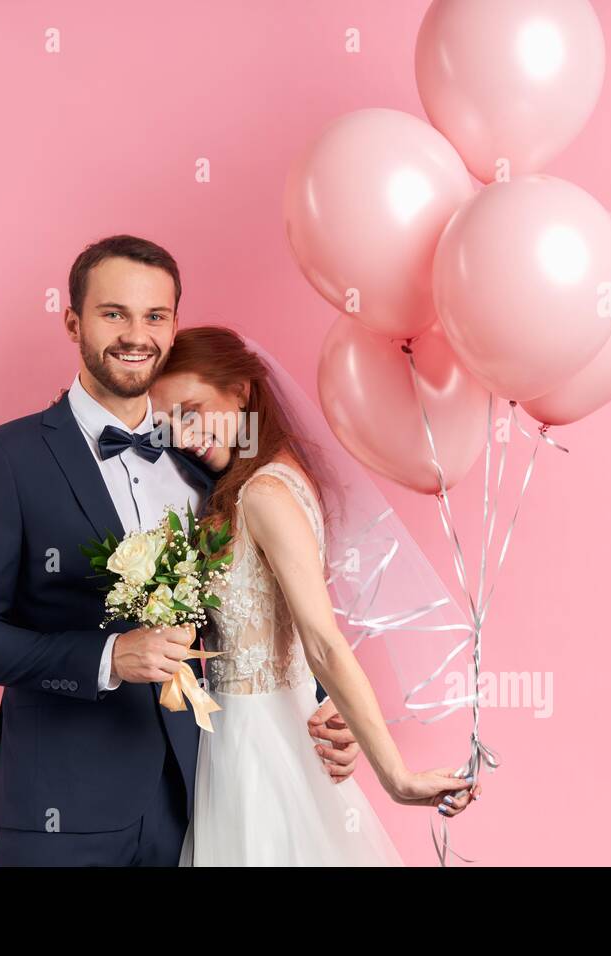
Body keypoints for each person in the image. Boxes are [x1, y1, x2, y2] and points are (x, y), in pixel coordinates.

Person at [0, 235, 363, 866]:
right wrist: (109, 656)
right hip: (58, 812)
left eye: (154, 316)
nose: (136, 335)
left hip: (192, 806)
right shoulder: (5, 458)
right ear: (73, 321)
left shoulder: (202, 467)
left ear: (173, 326)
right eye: (114, 314)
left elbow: (253, 610)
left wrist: (328, 710)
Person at [150, 326, 481, 866]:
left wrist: (394, 774)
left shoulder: (264, 493)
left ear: (240, 389)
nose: (183, 435)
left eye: (192, 410)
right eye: (168, 424)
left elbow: (322, 641)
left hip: (263, 745)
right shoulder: (264, 480)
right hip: (245, 735)